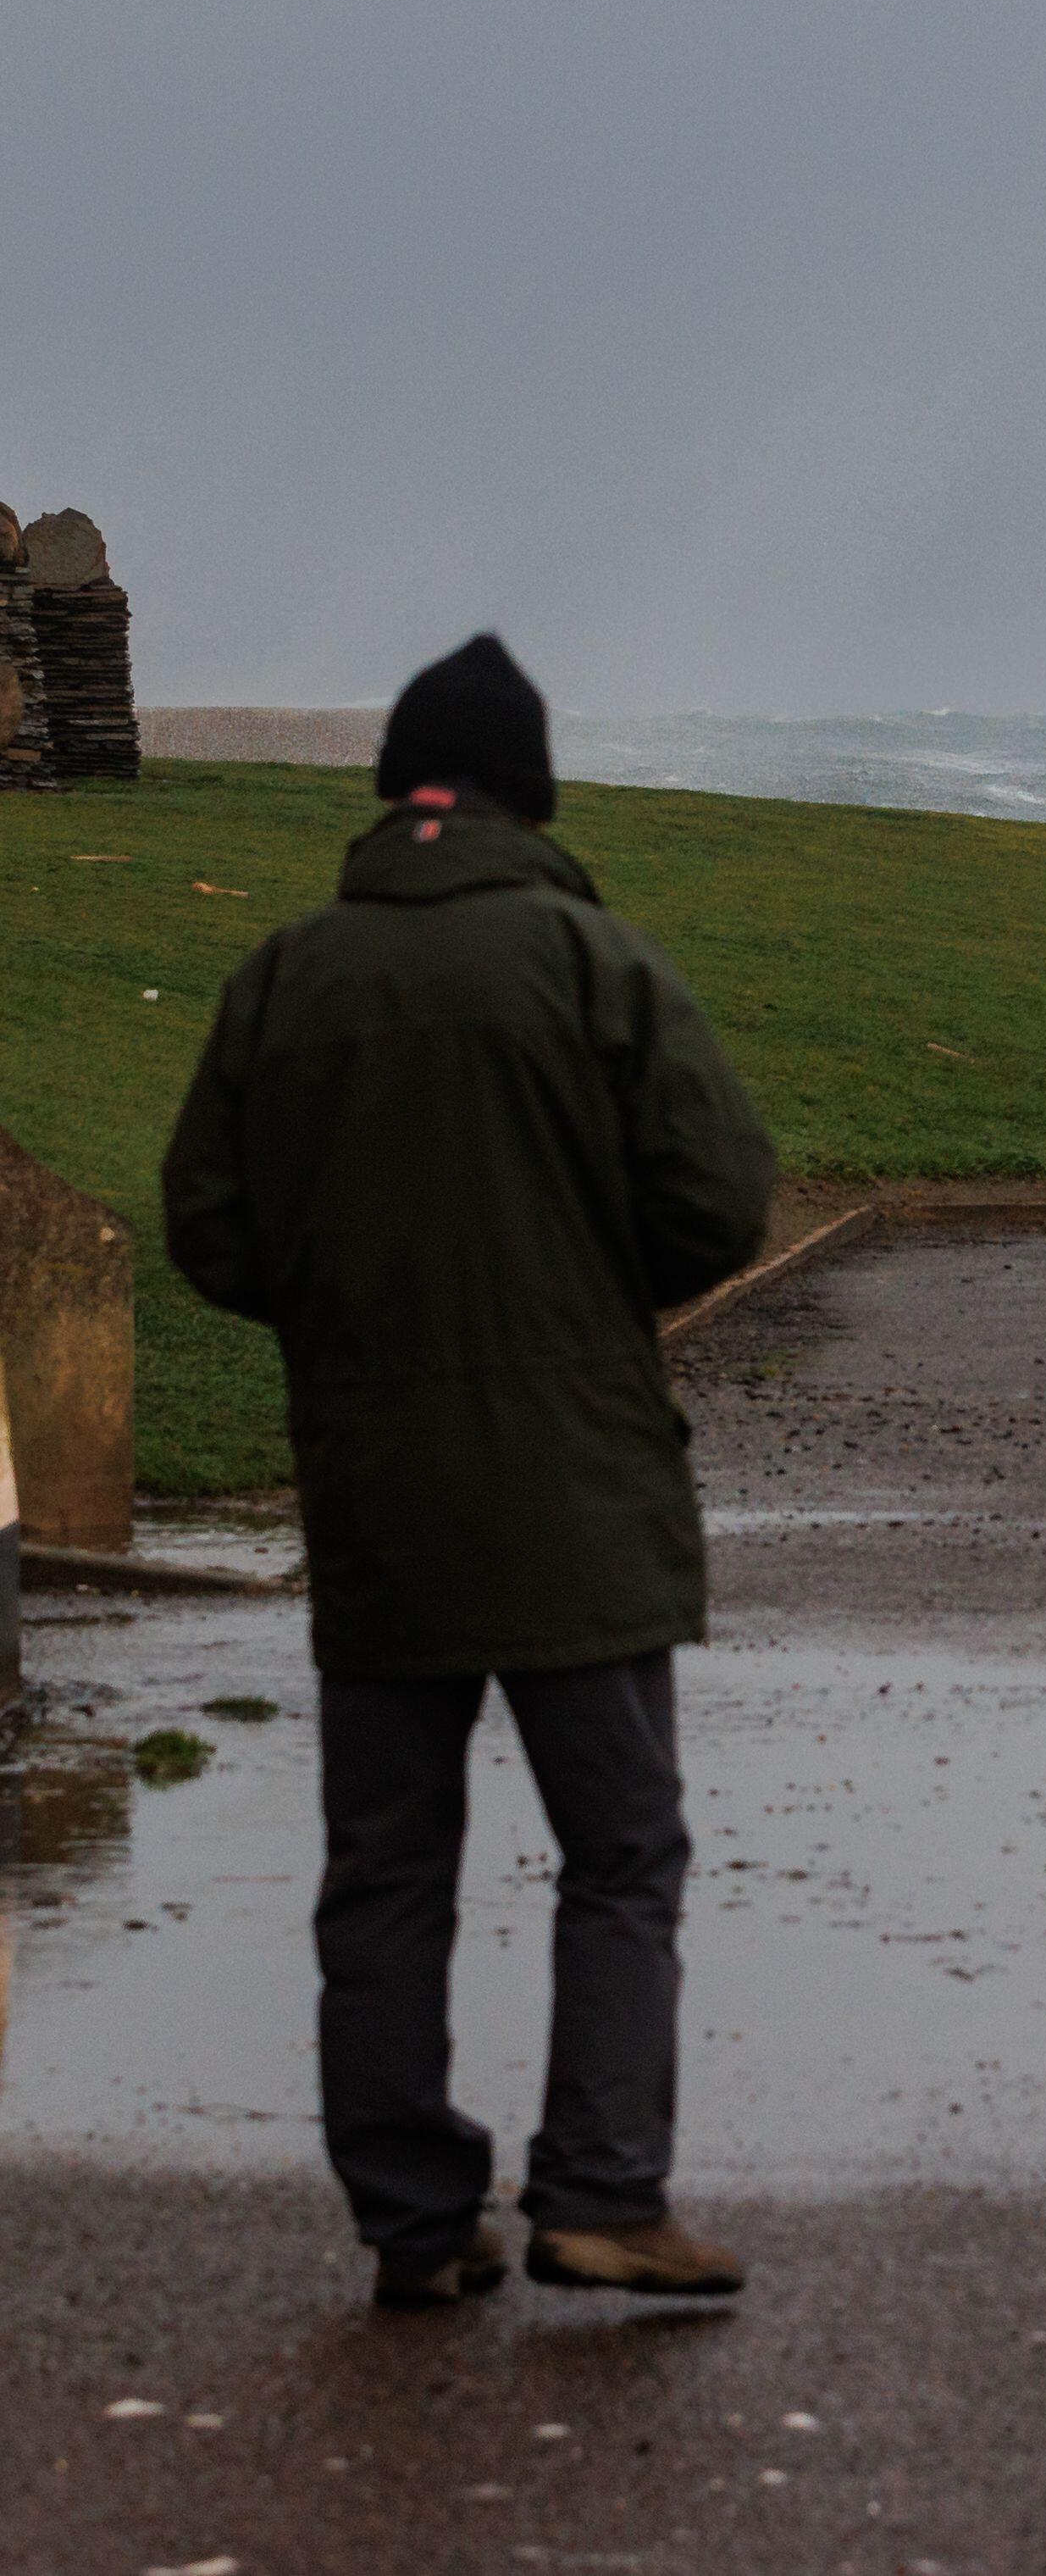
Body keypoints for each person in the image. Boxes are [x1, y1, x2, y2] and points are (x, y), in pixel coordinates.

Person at [163, 636, 777, 2308]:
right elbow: (720, 1205)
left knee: (385, 1864)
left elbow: (210, 1227)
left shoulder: (286, 979)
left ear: (398, 795)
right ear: (529, 793)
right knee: (621, 1847)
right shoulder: (594, 963)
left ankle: (415, 2221)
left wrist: (347, 1306)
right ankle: (598, 2191)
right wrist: (586, 1289)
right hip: (573, 1484)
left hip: (374, 1491)